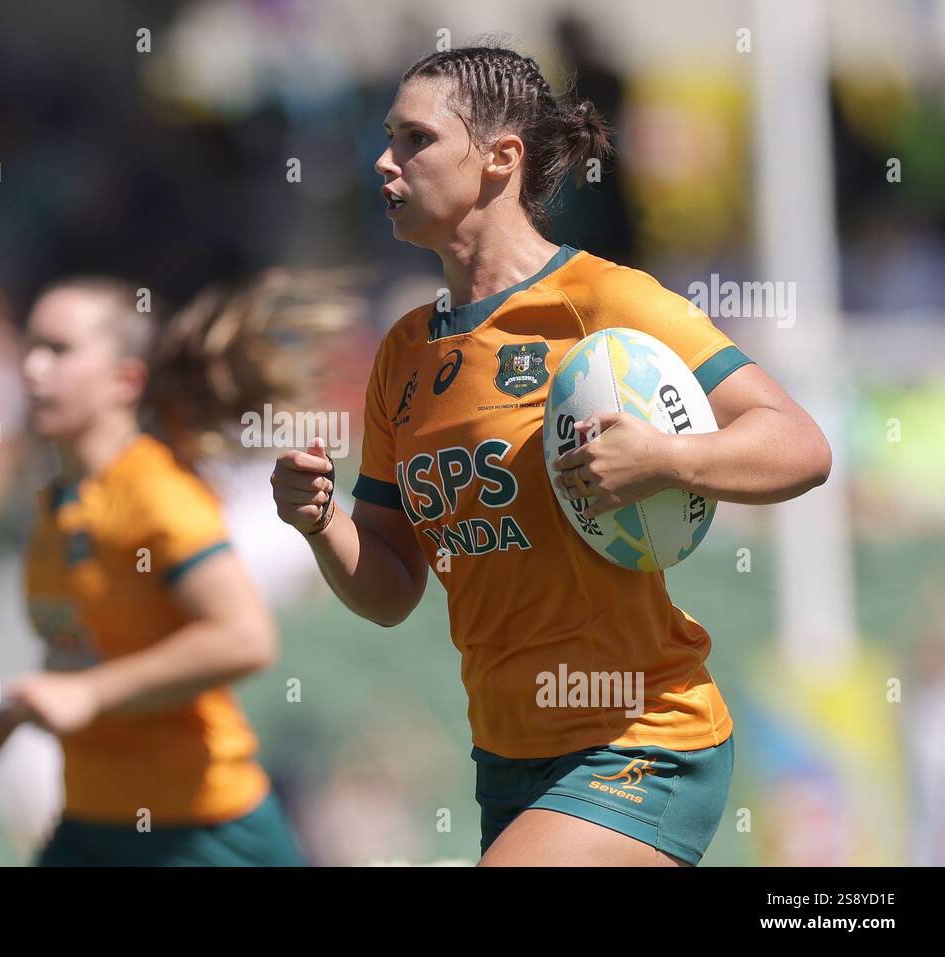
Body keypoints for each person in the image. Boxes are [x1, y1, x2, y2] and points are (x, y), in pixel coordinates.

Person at [271, 43, 832, 867]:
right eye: (387, 137)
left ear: (501, 158)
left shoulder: (604, 300)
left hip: (640, 738)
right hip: (508, 761)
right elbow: (389, 588)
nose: (385, 162)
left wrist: (666, 460)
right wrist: (319, 522)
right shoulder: (403, 355)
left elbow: (800, 445)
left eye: (416, 140)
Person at [0, 271, 354, 866]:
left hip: (198, 833)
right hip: (91, 822)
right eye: (31, 346)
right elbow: (83, 648)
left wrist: (87, 693)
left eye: (58, 350)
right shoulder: (56, 501)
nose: (33, 368)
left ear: (125, 380)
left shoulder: (154, 493)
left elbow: (244, 638)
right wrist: (12, 720)